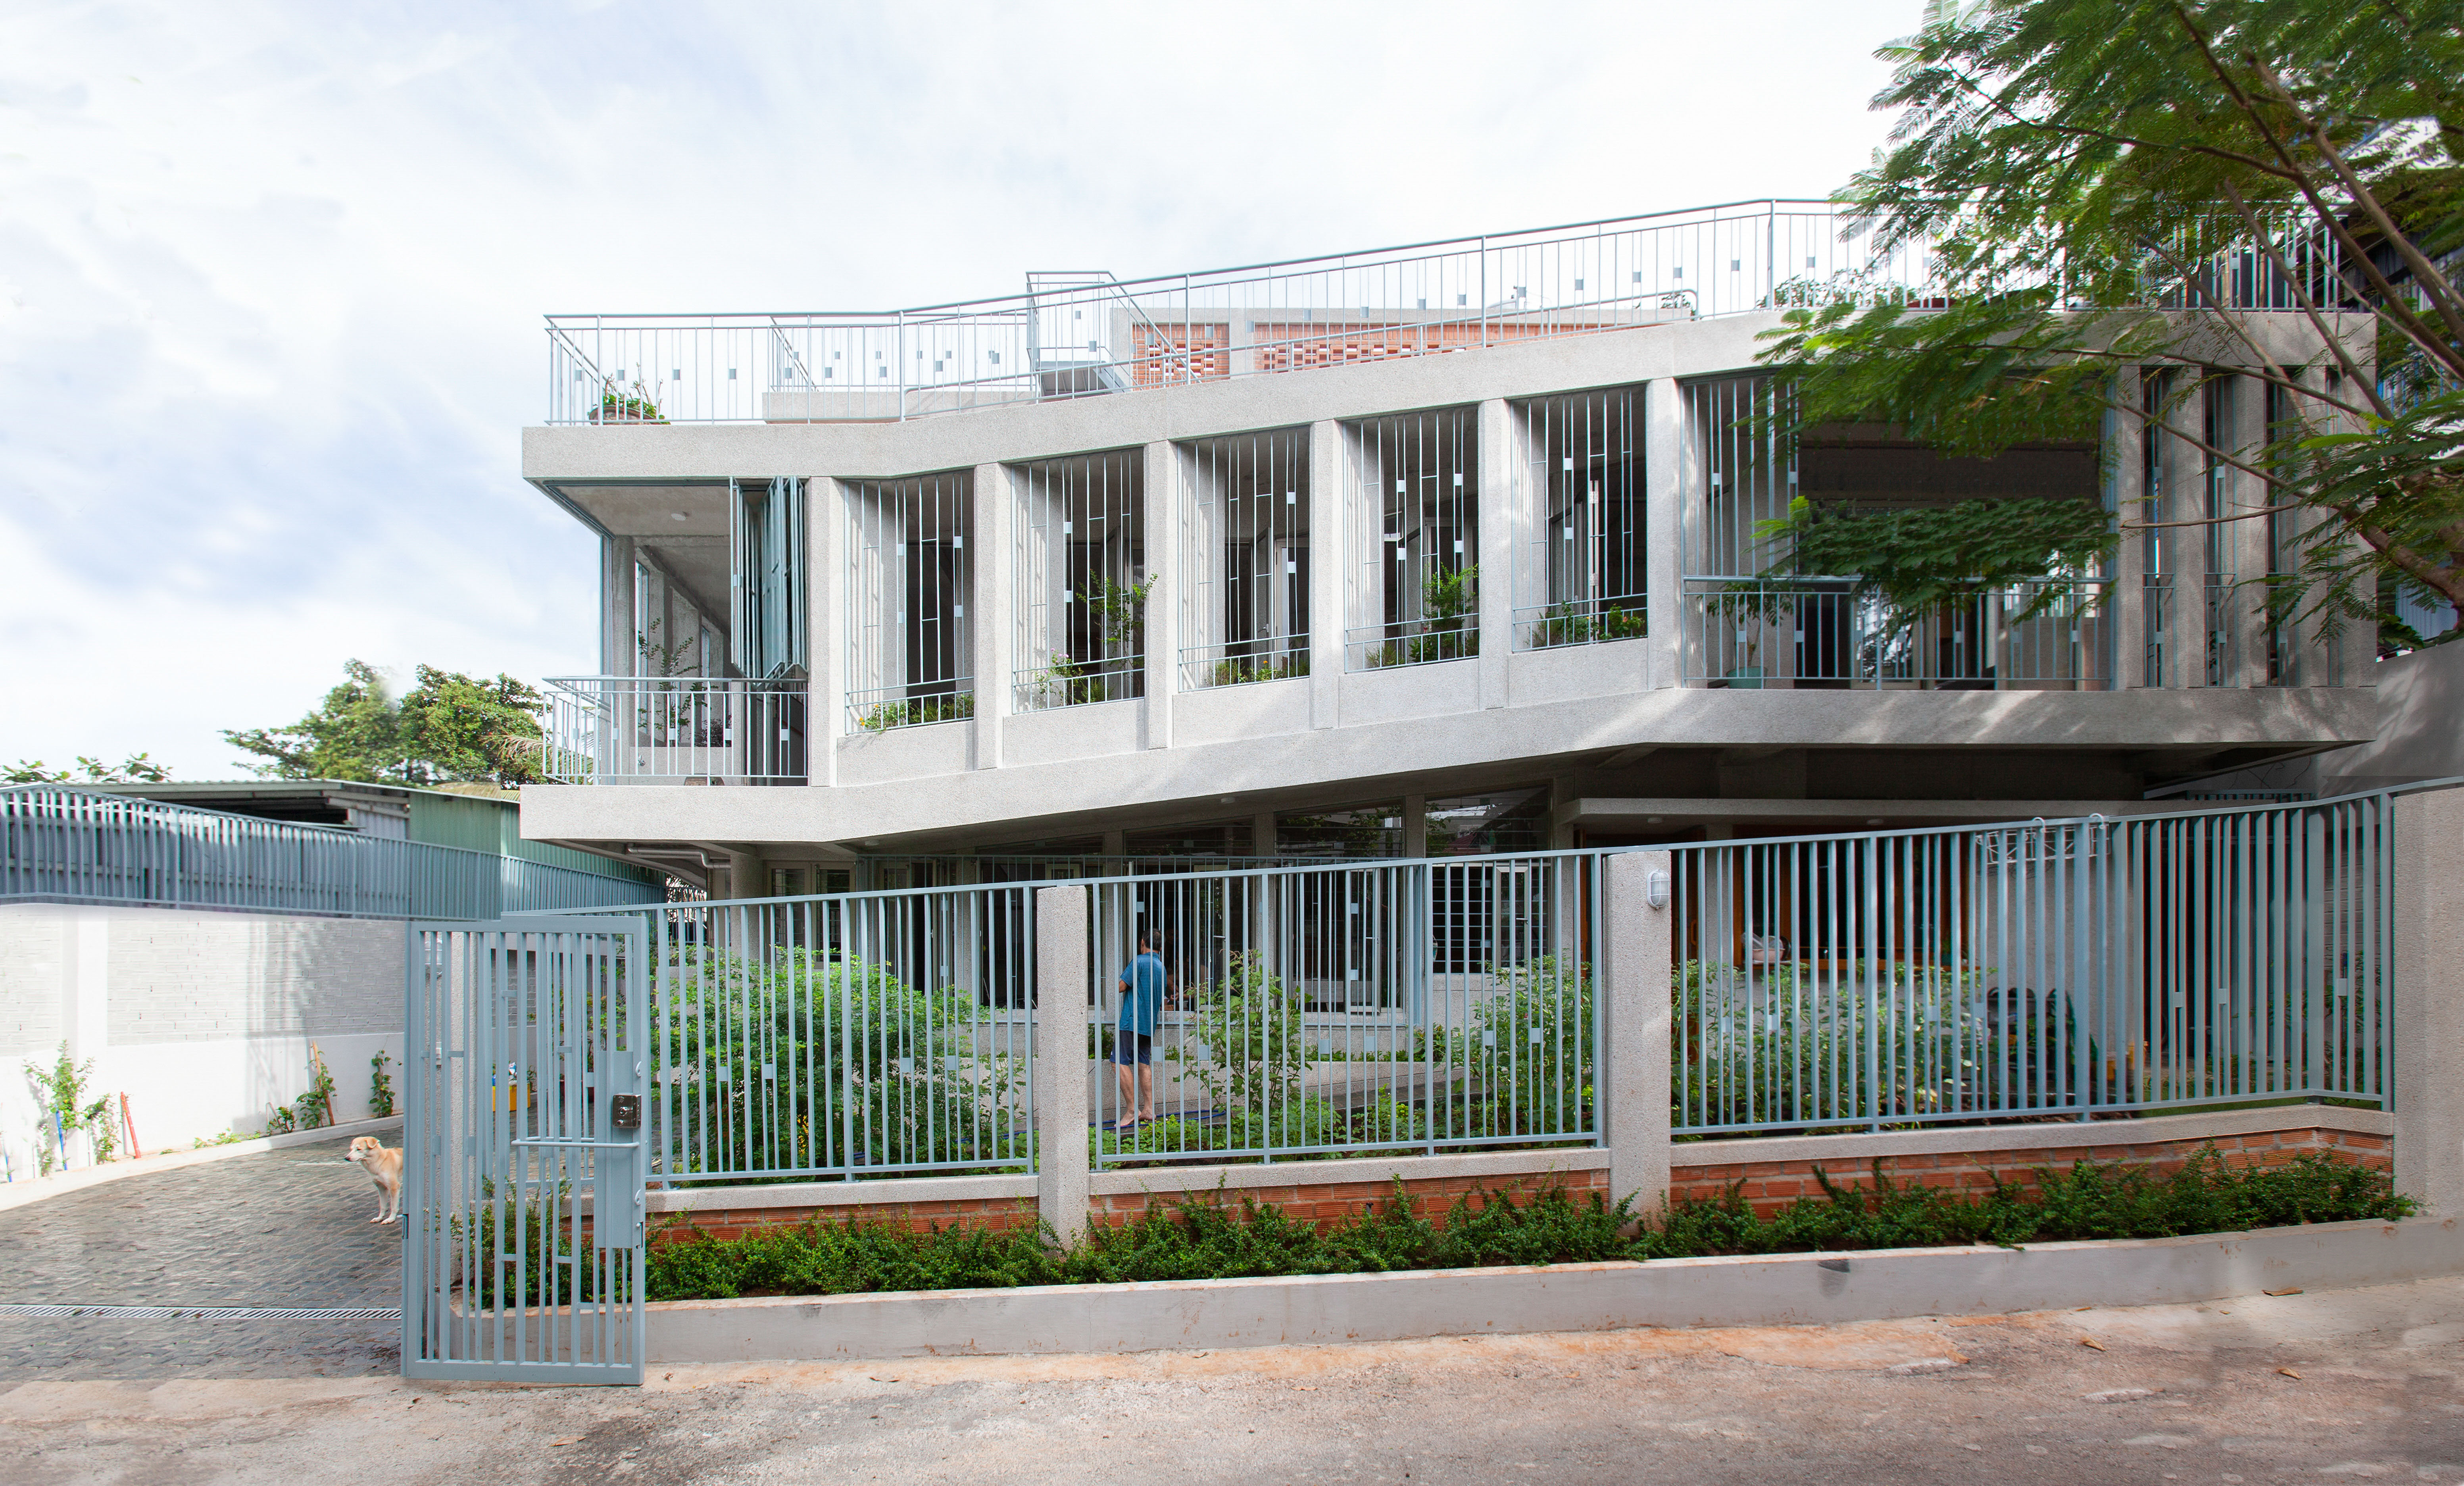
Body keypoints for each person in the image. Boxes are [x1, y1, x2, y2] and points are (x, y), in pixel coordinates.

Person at [1115, 931, 1173, 1127]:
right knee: (1143, 1063)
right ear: (1161, 948)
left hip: (1131, 1020)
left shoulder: (1139, 962)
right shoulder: (1161, 968)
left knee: (1118, 1062)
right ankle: (1148, 1109)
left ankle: (1132, 1110)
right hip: (1149, 1023)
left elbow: (1121, 987)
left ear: (1142, 943)